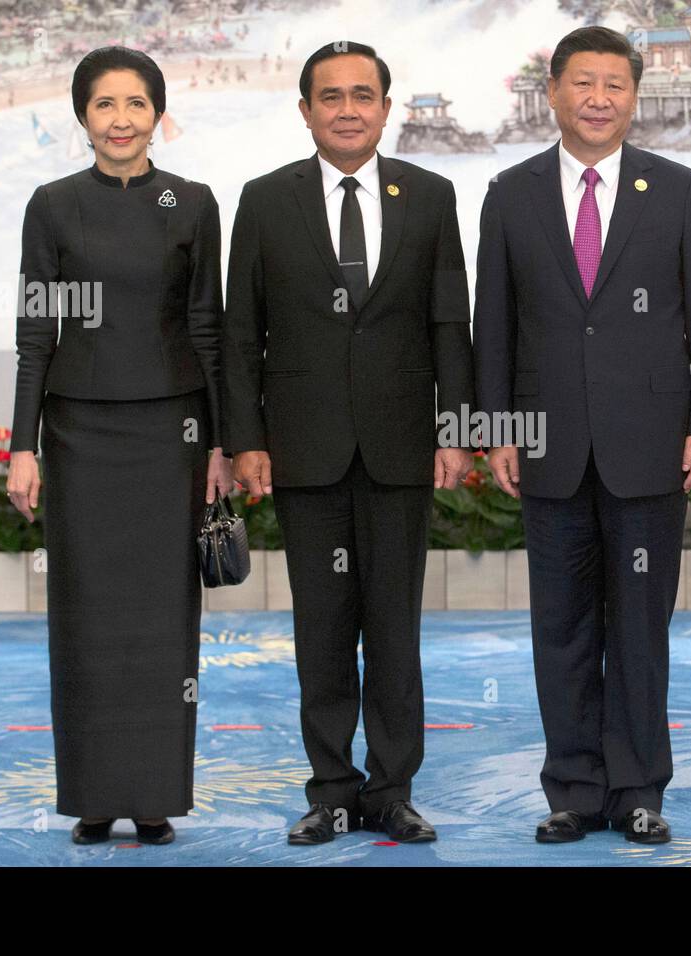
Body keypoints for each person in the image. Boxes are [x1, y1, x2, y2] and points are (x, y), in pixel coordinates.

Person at [473, 26, 691, 845]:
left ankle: (640, 788)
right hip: (548, 445)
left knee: (640, 626)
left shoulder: (680, 188)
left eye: (614, 84)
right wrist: (497, 428)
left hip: (651, 444)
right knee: (562, 624)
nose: (597, 98)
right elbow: (495, 326)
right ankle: (575, 790)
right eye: (581, 82)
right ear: (552, 91)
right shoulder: (509, 192)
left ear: (633, 96)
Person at [222, 41, 476, 846]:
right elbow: (239, 335)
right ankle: (332, 788)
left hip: (402, 448)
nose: (347, 109)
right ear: (305, 111)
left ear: (386, 108)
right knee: (322, 625)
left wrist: (457, 427)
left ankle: (392, 789)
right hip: (304, 450)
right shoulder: (265, 200)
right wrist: (244, 439)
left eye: (362, 95)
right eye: (329, 96)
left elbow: (448, 324)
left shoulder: (429, 196)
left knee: (395, 627)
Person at [5, 46, 230, 846]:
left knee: (164, 619)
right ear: (83, 117)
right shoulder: (53, 205)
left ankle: (155, 795)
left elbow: (210, 327)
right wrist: (22, 444)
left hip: (171, 436)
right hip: (77, 435)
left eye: (137, 104)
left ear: (157, 115)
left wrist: (222, 442)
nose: (122, 119)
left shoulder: (193, 203)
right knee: (86, 616)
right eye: (106, 105)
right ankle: (94, 799)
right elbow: (37, 331)